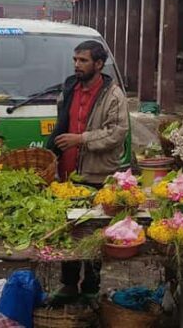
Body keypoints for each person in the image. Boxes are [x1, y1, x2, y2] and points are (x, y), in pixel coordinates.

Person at [46, 39, 128, 297]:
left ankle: (91, 288)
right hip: (68, 175)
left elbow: (117, 132)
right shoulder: (70, 88)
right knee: (68, 232)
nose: (77, 65)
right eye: (75, 60)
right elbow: (61, 123)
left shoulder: (113, 95)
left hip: (97, 175)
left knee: (93, 235)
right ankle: (68, 284)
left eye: (83, 60)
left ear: (99, 64)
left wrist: (82, 139)